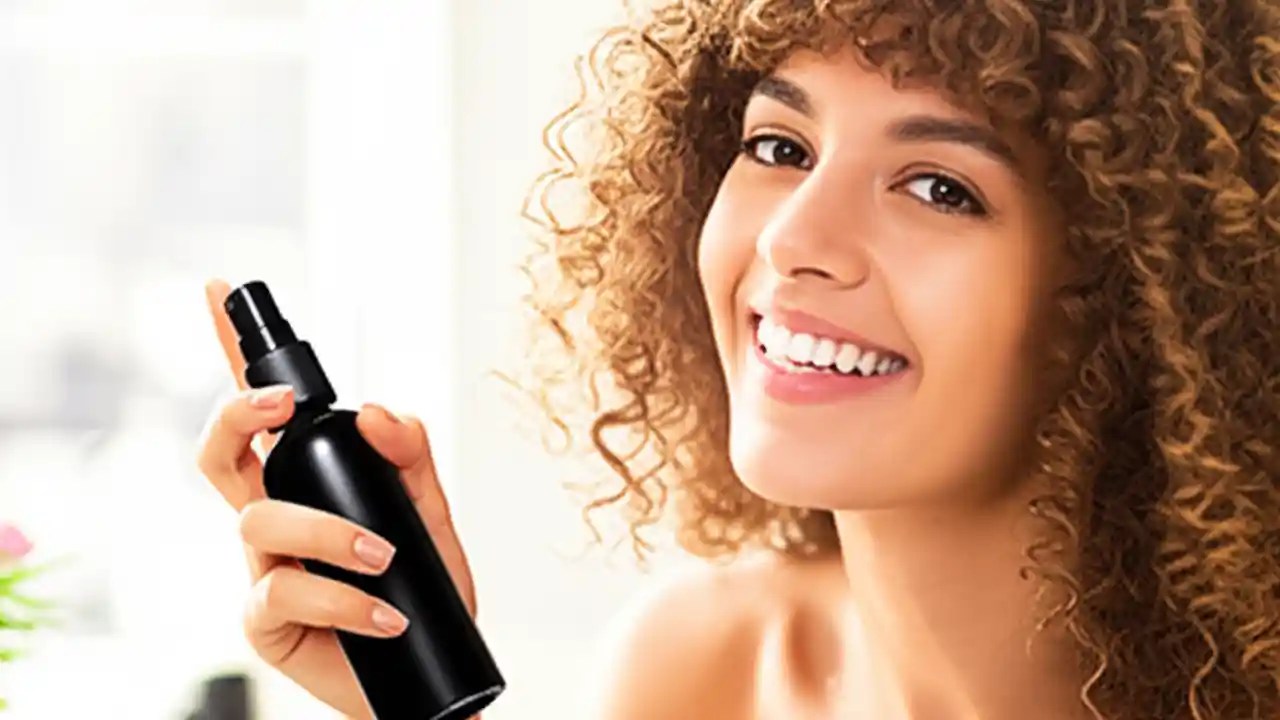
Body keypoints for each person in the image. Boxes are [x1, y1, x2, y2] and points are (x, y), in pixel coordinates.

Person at [196, 1, 1279, 718]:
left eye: (938, 188)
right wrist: (414, 687)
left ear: (1143, 286)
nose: (794, 237)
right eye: (778, 147)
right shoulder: (700, 669)